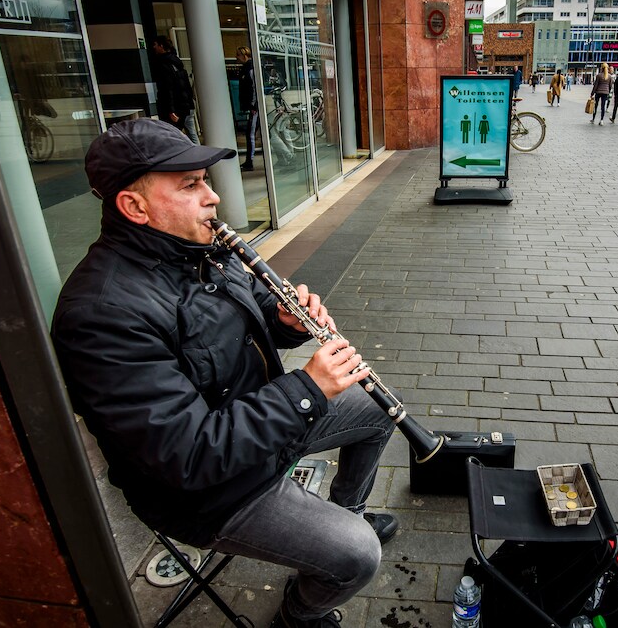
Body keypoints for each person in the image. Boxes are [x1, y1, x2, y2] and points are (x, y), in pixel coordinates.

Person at [51, 119, 400, 628]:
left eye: (205, 181)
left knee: (374, 405)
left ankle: (347, 508)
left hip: (261, 431)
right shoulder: (103, 313)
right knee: (357, 556)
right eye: (191, 185)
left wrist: (285, 322)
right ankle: (299, 615)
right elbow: (188, 456)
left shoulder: (204, 250)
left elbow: (253, 322)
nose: (213, 197)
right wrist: (308, 389)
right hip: (209, 492)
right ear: (134, 206)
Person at [152, 36, 199, 144]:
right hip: (186, 104)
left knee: (173, 135)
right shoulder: (177, 62)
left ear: (161, 46)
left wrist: (171, 109)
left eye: (155, 44)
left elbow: (168, 88)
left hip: (177, 107)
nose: (154, 47)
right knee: (191, 133)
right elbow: (184, 86)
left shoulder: (163, 65)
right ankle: (199, 156)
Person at [236, 46, 259, 171]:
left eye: (238, 55)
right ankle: (249, 160)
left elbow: (254, 89)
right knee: (251, 133)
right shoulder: (247, 68)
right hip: (253, 106)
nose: (237, 58)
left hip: (254, 107)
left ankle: (249, 161)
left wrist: (253, 105)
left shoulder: (249, 69)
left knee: (250, 134)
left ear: (244, 55)